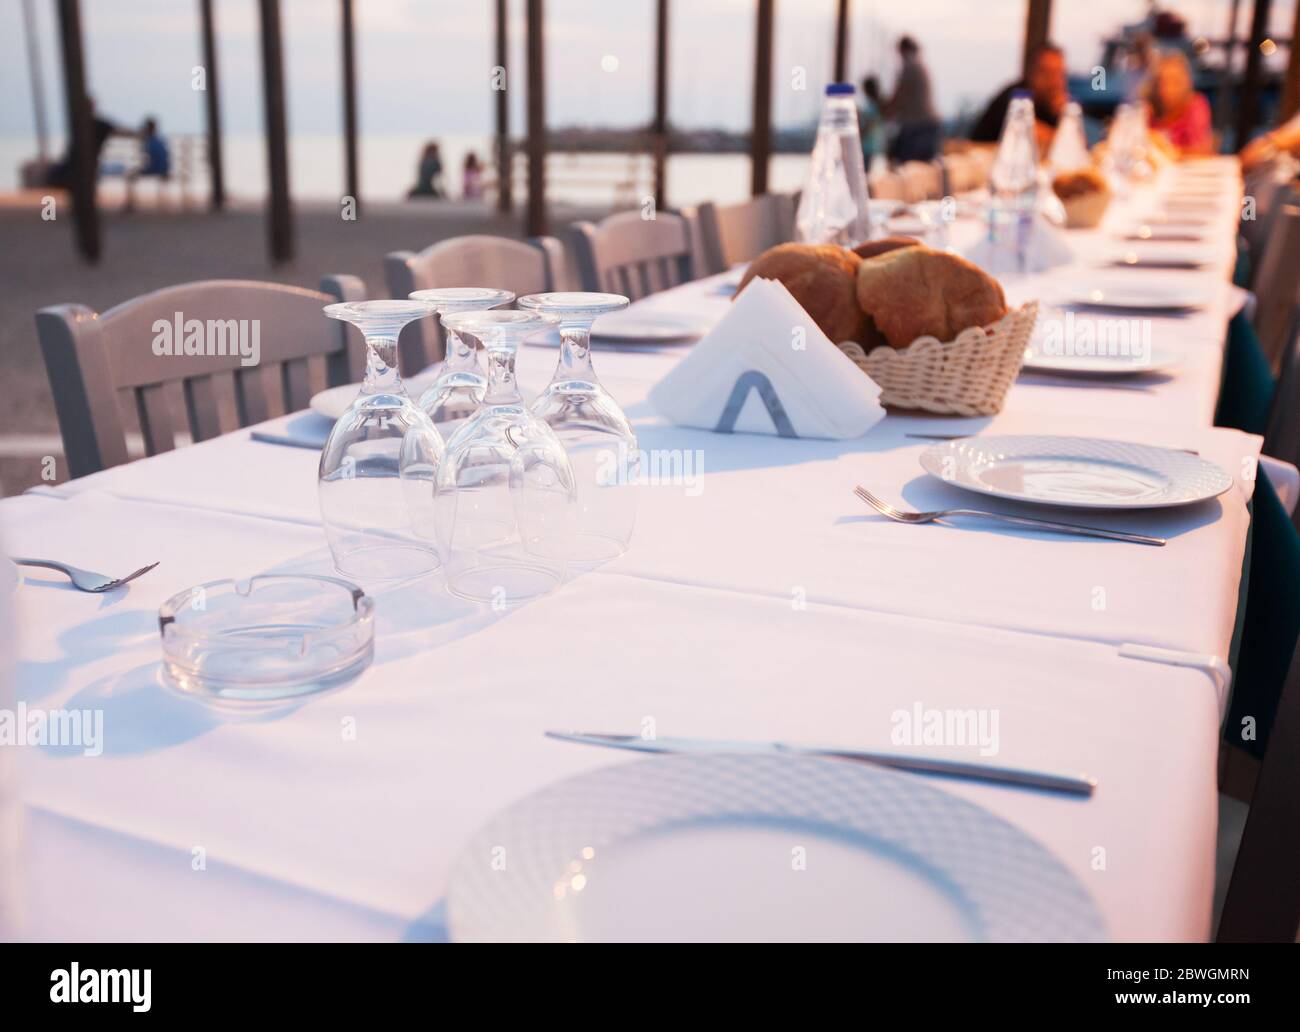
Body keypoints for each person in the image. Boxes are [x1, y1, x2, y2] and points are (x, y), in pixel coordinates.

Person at [970, 41, 1068, 144]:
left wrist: (1064, 115)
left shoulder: (1054, 105)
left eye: (1059, 73)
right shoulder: (1015, 97)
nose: (1054, 80)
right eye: (1046, 73)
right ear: (1030, 72)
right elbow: (1030, 133)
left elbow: (1076, 143)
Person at [44, 97, 127, 192]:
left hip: (78, 169)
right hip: (79, 169)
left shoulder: (91, 124)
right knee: (53, 174)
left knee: (52, 175)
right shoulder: (95, 124)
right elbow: (121, 131)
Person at [880, 36, 940, 163]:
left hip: (916, 128)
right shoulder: (920, 66)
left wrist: (883, 111)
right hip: (927, 125)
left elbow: (898, 98)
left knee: (906, 168)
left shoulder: (909, 67)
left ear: (903, 50)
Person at [1145, 50, 1213, 157]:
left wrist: (1171, 151)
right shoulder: (1149, 109)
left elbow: (1204, 150)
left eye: (1175, 82)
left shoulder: (1195, 105)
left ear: (1186, 82)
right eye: (1163, 82)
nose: (1168, 89)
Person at [859, 76, 887, 167]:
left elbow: (869, 126)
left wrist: (858, 136)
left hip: (868, 146)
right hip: (875, 146)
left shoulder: (873, 107)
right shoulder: (879, 105)